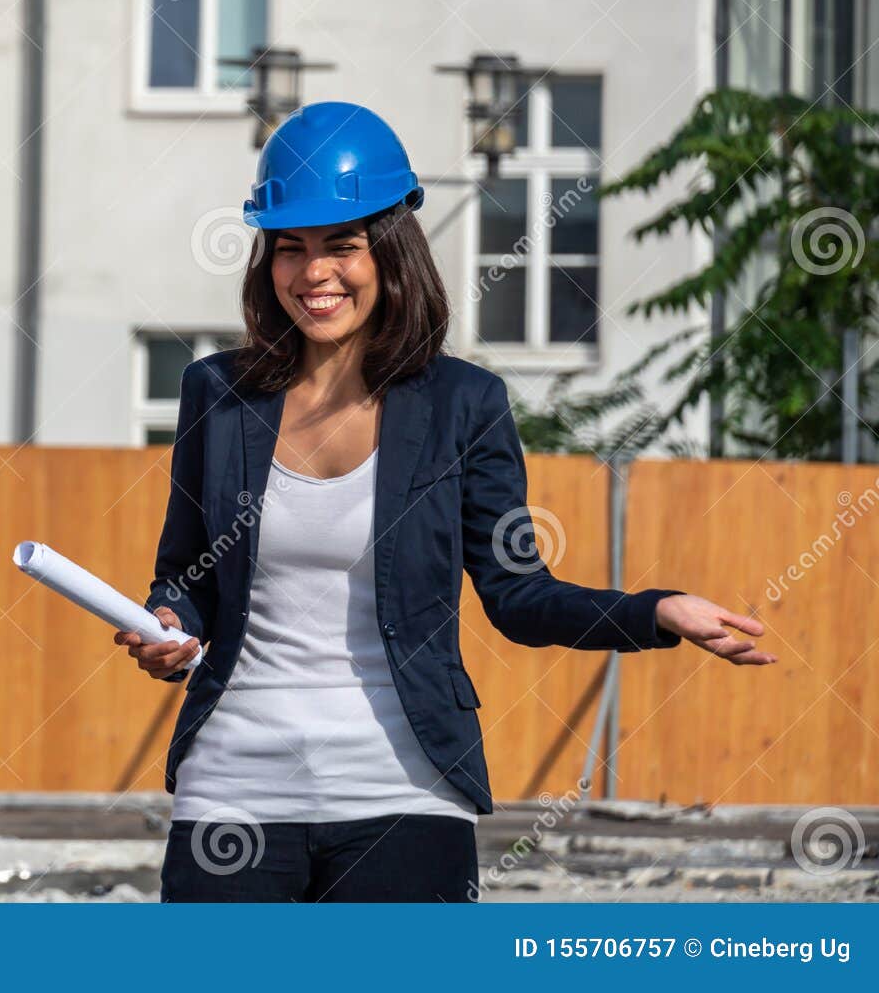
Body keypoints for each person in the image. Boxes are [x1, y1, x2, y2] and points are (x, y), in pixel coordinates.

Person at [116, 101, 777, 903]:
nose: (314, 272)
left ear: (390, 252)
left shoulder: (464, 404)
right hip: (235, 789)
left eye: (343, 245)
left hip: (404, 792)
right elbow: (185, 571)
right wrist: (170, 624)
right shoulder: (217, 393)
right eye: (291, 248)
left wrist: (656, 611)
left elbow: (517, 594)